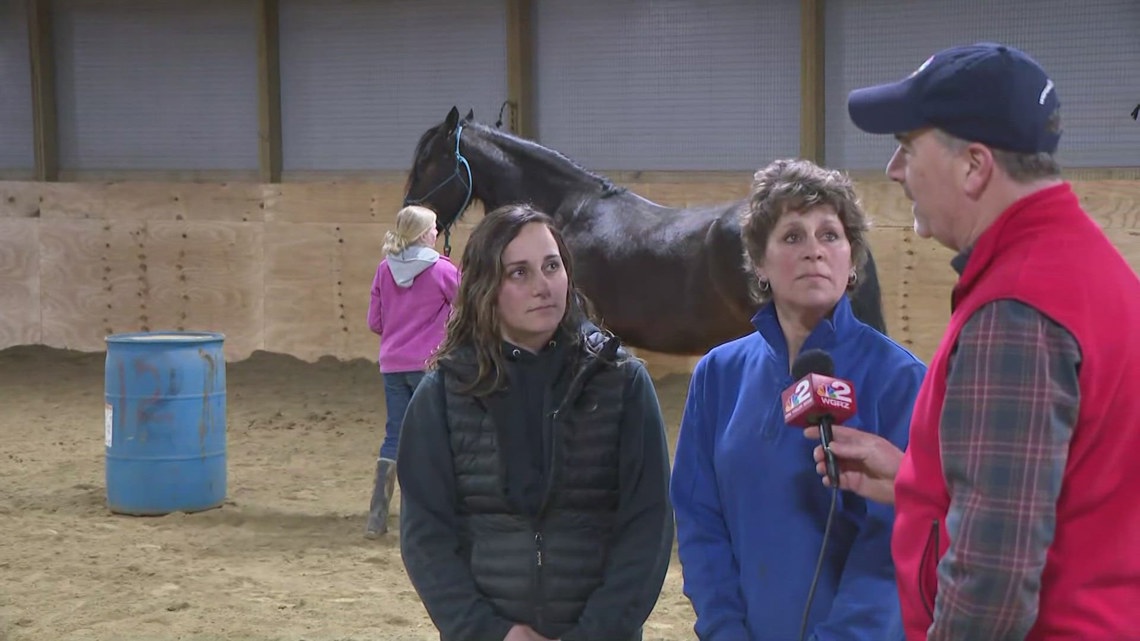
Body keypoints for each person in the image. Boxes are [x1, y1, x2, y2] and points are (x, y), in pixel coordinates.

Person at [810, 41, 1140, 640]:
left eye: (908, 148)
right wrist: (919, 482)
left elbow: (993, 587)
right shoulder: (1082, 269)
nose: (894, 171)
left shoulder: (1017, 309)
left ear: (974, 166)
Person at [669, 158, 928, 641]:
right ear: (760, 263)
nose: (814, 251)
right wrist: (724, 629)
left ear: (851, 260)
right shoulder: (718, 374)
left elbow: (895, 543)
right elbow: (699, 516)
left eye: (829, 235)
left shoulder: (902, 381)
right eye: (792, 236)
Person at [396, 203, 674, 641]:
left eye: (552, 266)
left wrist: (596, 634)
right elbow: (425, 535)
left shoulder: (622, 382)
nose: (544, 286)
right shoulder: (444, 395)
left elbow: (648, 526)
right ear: (486, 287)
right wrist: (489, 632)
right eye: (519, 273)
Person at [364, 204, 459, 538]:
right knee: (435, 435)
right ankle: (431, 513)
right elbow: (465, 311)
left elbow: (375, 322)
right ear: (423, 233)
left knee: (396, 434)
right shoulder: (444, 271)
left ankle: (377, 514)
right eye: (434, 228)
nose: (437, 232)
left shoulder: (383, 270)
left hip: (392, 365)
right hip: (429, 366)